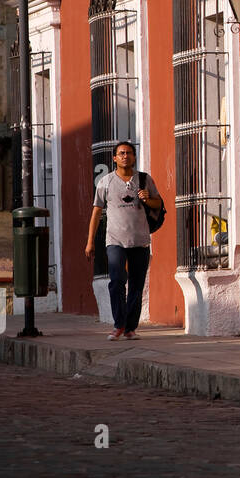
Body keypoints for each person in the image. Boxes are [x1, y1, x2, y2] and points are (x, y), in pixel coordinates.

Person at [85, 141, 164, 340]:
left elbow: (158, 204)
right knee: (117, 280)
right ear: (114, 158)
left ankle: (130, 328)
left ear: (134, 157)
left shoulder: (144, 179)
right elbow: (96, 212)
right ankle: (118, 324)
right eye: (121, 153)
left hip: (140, 240)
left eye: (129, 153)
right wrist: (90, 241)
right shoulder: (105, 182)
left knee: (136, 286)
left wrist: (147, 198)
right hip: (115, 241)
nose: (125, 156)